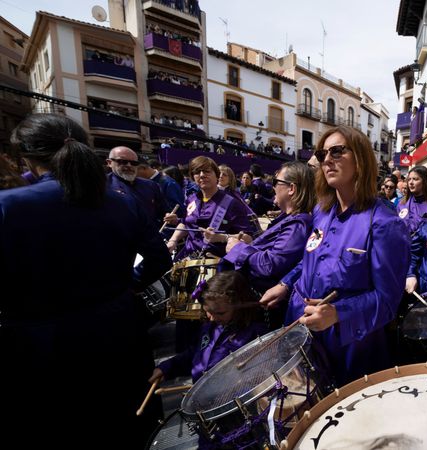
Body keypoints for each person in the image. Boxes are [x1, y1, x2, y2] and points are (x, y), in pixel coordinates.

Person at [0, 114, 172, 447]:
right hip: (120, 337)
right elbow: (159, 260)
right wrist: (128, 285)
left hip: (42, 349)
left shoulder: (9, 206)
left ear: (28, 157)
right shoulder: (123, 203)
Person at [259, 126, 410, 386]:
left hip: (349, 344)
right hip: (300, 327)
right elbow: (312, 260)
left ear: (361, 160)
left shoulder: (385, 223)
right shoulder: (320, 211)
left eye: (337, 151)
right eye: (322, 153)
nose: (326, 159)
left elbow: (387, 301)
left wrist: (337, 313)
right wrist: (285, 284)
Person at [223, 162, 315, 326]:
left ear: (291, 188)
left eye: (275, 182)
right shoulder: (290, 218)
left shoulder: (298, 224)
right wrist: (250, 244)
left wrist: (238, 249)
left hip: (266, 310)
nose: (272, 187)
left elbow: (270, 264)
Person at [149, 271, 269, 383]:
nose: (212, 318)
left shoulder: (256, 334)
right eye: (208, 311)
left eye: (220, 313)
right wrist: (167, 368)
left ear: (240, 305)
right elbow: (194, 354)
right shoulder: (210, 327)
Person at [165, 156, 256, 259]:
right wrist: (173, 240)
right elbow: (186, 223)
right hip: (187, 258)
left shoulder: (232, 203)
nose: (202, 175)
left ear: (217, 175)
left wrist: (221, 238)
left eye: (207, 171)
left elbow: (248, 239)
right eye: (197, 172)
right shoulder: (192, 199)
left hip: (216, 263)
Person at [107, 146, 168, 229]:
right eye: (122, 161)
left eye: (134, 163)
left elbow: (164, 212)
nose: (129, 165)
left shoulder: (151, 185)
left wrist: (170, 217)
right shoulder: (102, 185)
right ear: (109, 163)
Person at [397, 166, 427, 235]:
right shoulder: (402, 203)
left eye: (415, 179)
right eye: (409, 179)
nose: (411, 182)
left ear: (424, 181)